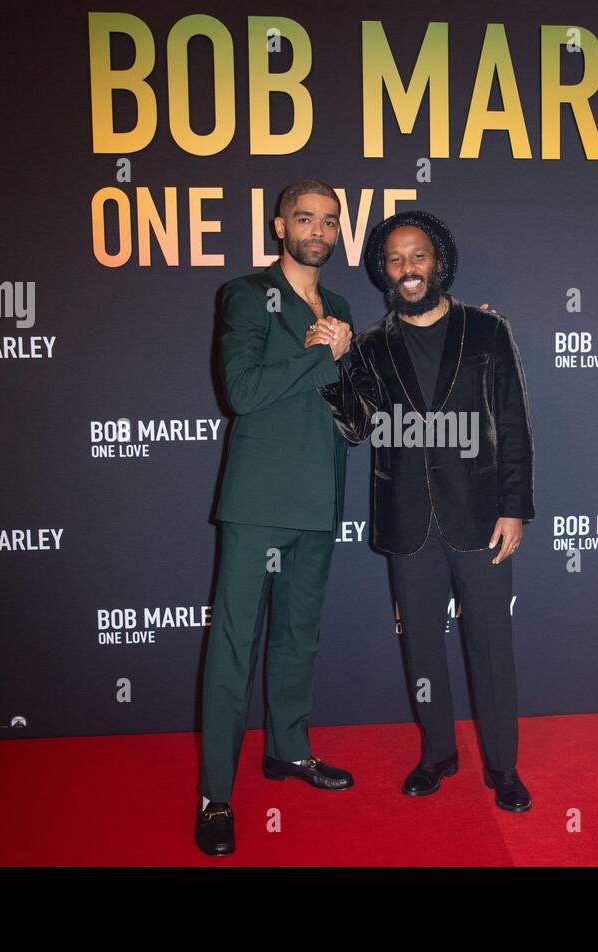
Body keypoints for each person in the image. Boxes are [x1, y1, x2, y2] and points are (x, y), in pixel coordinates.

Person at [319, 210, 535, 812]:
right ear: (382, 272)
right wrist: (338, 364)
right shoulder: (372, 345)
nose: (408, 269)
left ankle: (503, 766)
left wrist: (514, 507)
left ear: (437, 260)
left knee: (490, 644)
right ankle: (437, 754)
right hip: (407, 520)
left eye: (417, 256)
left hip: (481, 516)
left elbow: (513, 424)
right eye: (395, 260)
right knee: (420, 645)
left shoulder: (486, 331)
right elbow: (357, 428)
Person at [196, 179, 355, 856]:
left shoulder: (341, 306)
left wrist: (348, 371)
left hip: (320, 501)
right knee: (234, 647)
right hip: (259, 503)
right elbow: (243, 391)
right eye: (305, 218)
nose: (317, 229)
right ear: (279, 225)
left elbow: (342, 398)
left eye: (328, 220)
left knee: (299, 638)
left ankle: (288, 751)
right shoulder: (245, 295)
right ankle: (215, 796)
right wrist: (321, 353)